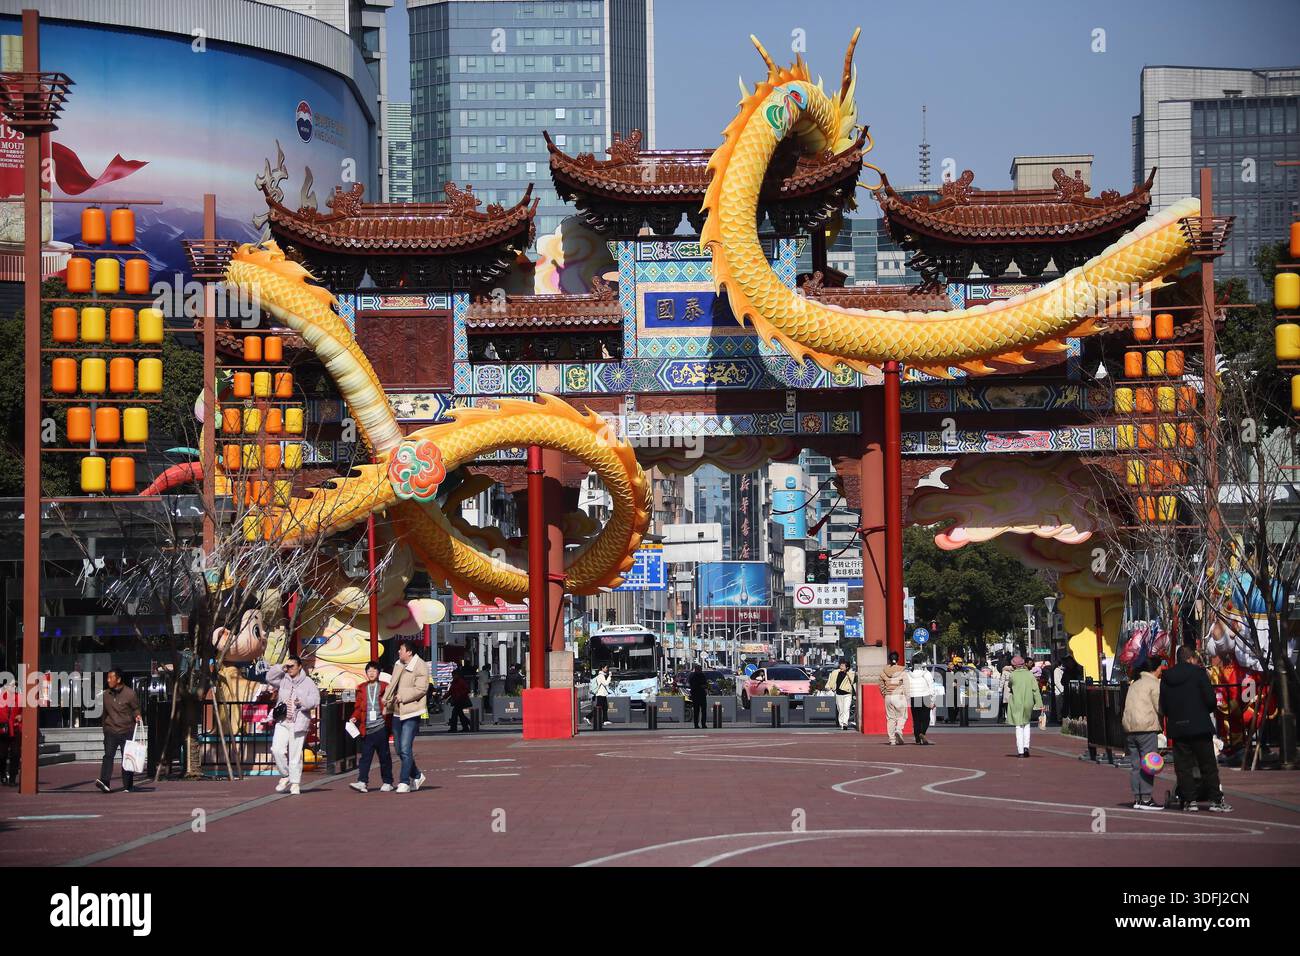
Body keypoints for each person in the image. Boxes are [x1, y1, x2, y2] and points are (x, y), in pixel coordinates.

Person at [1161, 646, 1232, 812]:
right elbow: (1210, 700)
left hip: (1178, 727)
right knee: (1207, 764)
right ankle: (1216, 800)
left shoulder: (1167, 677)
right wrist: (1202, 711)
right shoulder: (1199, 673)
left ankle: (1189, 800)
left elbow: (1163, 704)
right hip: (1199, 725)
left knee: (1183, 767)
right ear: (1191, 658)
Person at [265, 655, 320, 796]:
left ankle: (295, 783)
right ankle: (285, 775)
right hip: (282, 721)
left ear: (300, 666)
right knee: (276, 749)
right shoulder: (283, 679)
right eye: (288, 666)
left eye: (292, 666)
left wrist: (301, 702)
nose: (289, 669)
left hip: (298, 722)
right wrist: (280, 667)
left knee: (294, 755)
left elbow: (315, 700)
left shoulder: (308, 682)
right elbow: (270, 678)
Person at [383, 639, 430, 793]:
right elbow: (392, 684)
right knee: (398, 748)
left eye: (401, 649)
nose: (399, 651)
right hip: (397, 711)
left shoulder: (420, 665)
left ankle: (404, 781)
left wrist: (403, 696)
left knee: (405, 747)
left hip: (411, 711)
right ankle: (416, 774)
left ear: (409, 652)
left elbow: (422, 688)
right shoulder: (398, 664)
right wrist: (386, 699)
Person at [1122, 658, 1164, 810]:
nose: (1161, 670)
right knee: (1148, 763)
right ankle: (1146, 798)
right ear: (1156, 669)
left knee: (1136, 765)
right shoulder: (1153, 683)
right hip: (1146, 727)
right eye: (1161, 667)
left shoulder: (1135, 683)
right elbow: (1160, 706)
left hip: (1130, 727)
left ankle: (1137, 798)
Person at [348, 661, 393, 794]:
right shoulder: (361, 688)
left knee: (384, 757)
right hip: (366, 729)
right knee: (365, 757)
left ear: (379, 673)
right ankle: (362, 782)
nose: (371, 673)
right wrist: (354, 716)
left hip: (381, 727)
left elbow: (390, 704)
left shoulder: (385, 687)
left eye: (374, 670)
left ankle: (388, 782)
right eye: (369, 671)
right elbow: (358, 707)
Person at [96, 668, 142, 793]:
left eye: (111, 677)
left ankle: (128, 786)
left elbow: (135, 709)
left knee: (126, 759)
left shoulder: (130, 694)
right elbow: (104, 714)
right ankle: (104, 782)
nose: (108, 680)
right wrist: (105, 728)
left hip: (126, 730)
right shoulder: (106, 695)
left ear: (119, 679)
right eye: (108, 677)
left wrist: (137, 715)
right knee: (108, 756)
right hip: (111, 730)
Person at [1006, 656, 1042, 758]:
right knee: (1026, 723)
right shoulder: (1030, 675)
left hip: (1017, 702)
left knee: (1019, 725)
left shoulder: (1012, 675)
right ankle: (1026, 747)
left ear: (1014, 665)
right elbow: (1035, 690)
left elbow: (1010, 685)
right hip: (1028, 702)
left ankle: (1020, 751)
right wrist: (1039, 703)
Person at [879, 651, 909, 744]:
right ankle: (899, 730)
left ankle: (892, 740)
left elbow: (881, 684)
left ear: (889, 659)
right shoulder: (902, 671)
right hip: (899, 696)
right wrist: (907, 696)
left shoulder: (884, 671)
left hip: (888, 696)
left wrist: (885, 693)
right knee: (903, 716)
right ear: (898, 659)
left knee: (890, 718)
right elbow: (906, 685)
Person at [906, 653, 935, 745]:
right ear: (921, 663)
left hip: (914, 697)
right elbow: (931, 688)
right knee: (926, 718)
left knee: (916, 719)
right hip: (925, 696)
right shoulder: (926, 674)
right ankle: (922, 733)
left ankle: (917, 738)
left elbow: (906, 688)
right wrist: (932, 701)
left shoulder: (908, 675)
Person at [0, 678, 22, 786]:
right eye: (13, 685)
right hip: (3, 730)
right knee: (2, 755)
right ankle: (2, 774)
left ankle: (13, 777)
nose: (15, 687)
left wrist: (21, 716)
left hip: (16, 729)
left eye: (15, 685)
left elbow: (26, 711)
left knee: (16, 754)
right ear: (6, 686)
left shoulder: (19, 698)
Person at [831, 659, 856, 731]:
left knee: (846, 708)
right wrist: (831, 687)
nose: (840, 666)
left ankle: (845, 723)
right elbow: (832, 680)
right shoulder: (836, 672)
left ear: (847, 667)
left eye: (842, 665)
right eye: (840, 665)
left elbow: (852, 681)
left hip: (847, 694)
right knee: (840, 709)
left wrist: (847, 673)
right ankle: (841, 723)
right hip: (839, 694)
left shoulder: (850, 673)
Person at [447, 666, 473, 733]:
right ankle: (467, 725)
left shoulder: (460, 681)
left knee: (455, 714)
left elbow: (467, 690)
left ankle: (455, 727)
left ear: (457, 675)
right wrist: (445, 697)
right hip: (458, 700)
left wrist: (460, 695)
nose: (453, 676)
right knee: (460, 714)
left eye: (453, 675)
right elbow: (450, 691)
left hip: (461, 700)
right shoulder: (455, 682)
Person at [688, 664, 709, 729]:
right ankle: (696, 724)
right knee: (696, 711)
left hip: (701, 694)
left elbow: (705, 684)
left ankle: (703, 724)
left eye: (700, 669)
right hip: (696, 694)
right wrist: (701, 686)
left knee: (703, 710)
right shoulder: (693, 676)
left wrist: (703, 686)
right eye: (699, 669)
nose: (700, 670)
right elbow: (693, 685)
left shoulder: (702, 675)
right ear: (696, 669)